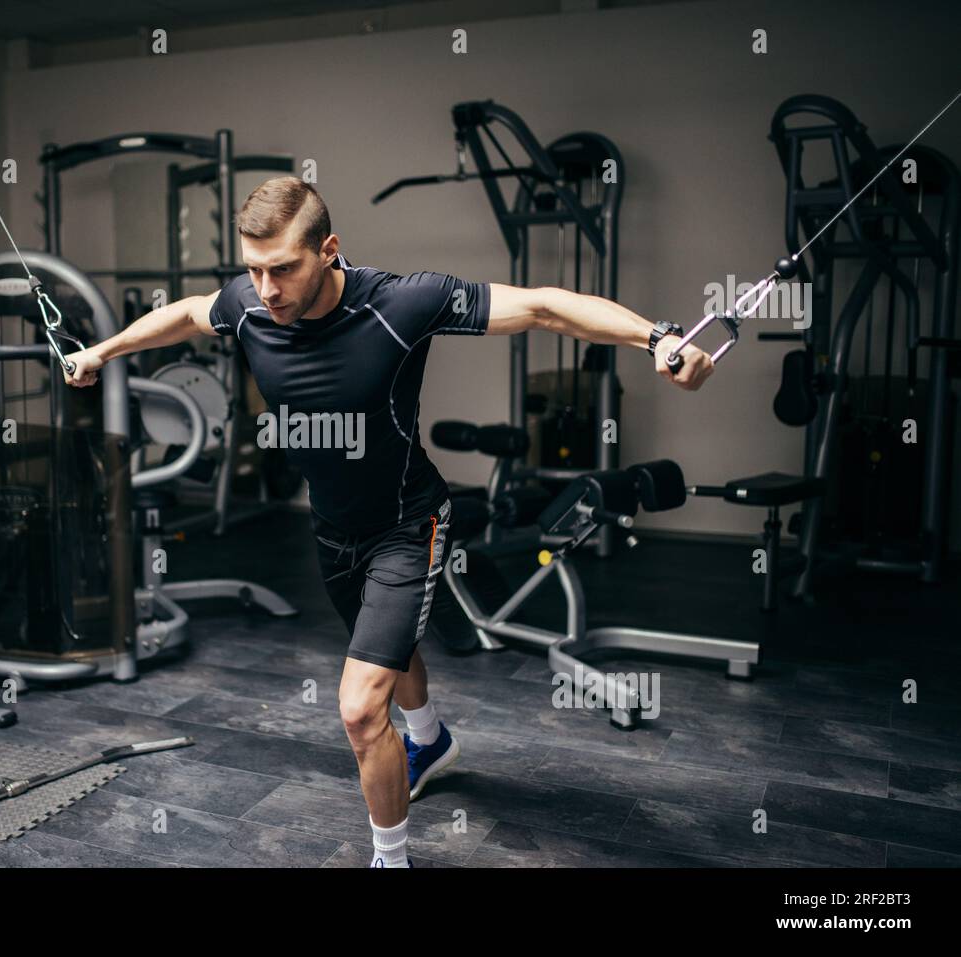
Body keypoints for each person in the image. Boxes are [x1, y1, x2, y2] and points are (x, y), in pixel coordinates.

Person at [62, 176, 712, 868]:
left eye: (283, 268)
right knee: (387, 656)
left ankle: (390, 858)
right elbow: (190, 314)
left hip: (408, 524)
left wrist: (657, 337)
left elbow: (544, 307)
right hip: (331, 528)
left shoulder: (402, 303)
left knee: (358, 707)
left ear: (329, 251)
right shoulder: (246, 304)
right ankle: (430, 739)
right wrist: (101, 353)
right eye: (253, 270)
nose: (267, 288)